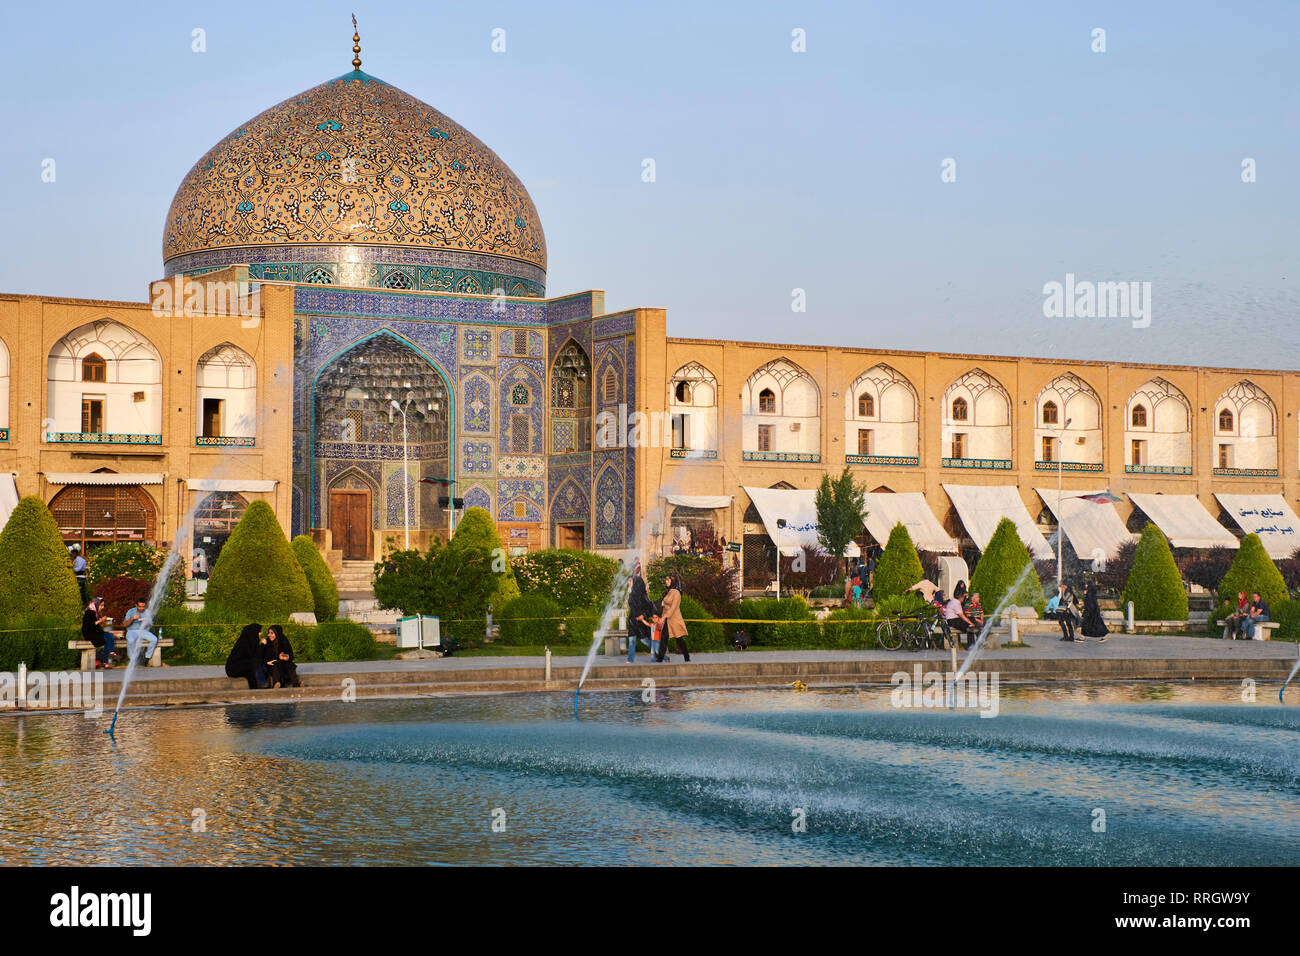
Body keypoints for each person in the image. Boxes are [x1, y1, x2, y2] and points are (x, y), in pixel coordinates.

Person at [657, 574, 691, 662]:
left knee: (679, 639)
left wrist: (663, 617)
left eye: (668, 580)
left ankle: (687, 657)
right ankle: (659, 658)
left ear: (673, 581)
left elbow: (673, 608)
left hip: (674, 619)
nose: (666, 581)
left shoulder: (676, 593)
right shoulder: (668, 592)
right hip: (667, 620)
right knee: (664, 638)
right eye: (666, 580)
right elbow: (663, 605)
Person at [627, 562, 655, 663]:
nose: (628, 583)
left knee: (645, 641)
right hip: (632, 620)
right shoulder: (631, 594)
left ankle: (662, 655)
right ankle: (630, 660)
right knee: (632, 640)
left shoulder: (641, 596)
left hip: (640, 621)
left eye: (630, 581)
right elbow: (631, 606)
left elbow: (648, 608)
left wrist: (642, 616)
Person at [225, 623, 266, 689]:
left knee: (254, 665)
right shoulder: (244, 643)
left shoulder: (251, 641)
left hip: (243, 665)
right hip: (233, 668)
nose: (261, 633)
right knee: (254, 664)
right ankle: (261, 684)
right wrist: (262, 645)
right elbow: (255, 656)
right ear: (254, 632)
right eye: (260, 631)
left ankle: (257, 686)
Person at [121, 596, 160, 664]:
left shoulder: (147, 612)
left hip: (143, 631)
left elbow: (150, 625)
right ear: (136, 605)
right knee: (131, 640)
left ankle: (147, 657)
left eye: (143, 606)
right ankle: (132, 659)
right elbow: (124, 624)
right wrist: (132, 618)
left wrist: (145, 623)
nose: (141, 608)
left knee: (154, 639)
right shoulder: (131, 611)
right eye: (140, 606)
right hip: (131, 631)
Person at [81, 596, 115, 669]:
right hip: (89, 633)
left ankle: (111, 652)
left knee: (110, 635)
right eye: (101, 605)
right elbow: (89, 626)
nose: (103, 607)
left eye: (103, 605)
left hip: (97, 632)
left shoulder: (97, 613)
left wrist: (103, 621)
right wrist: (100, 621)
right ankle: (105, 661)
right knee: (106, 640)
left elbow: (98, 625)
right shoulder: (89, 612)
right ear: (96, 604)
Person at [264, 624, 300, 688]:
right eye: (269, 633)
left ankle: (296, 683)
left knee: (289, 664)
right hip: (270, 665)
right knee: (276, 663)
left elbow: (290, 654)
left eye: (271, 633)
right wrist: (277, 658)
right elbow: (264, 656)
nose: (269, 635)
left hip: (282, 664)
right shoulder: (267, 643)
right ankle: (276, 683)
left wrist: (287, 657)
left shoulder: (283, 641)